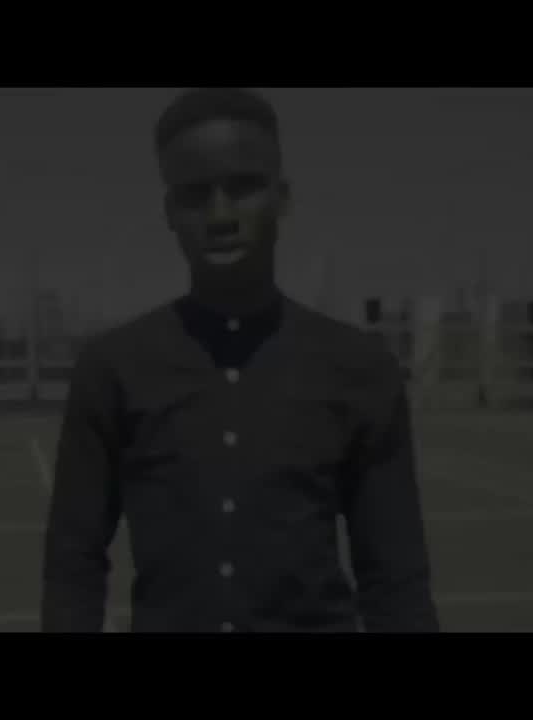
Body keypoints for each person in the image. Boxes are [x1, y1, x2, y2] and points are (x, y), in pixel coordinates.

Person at [41, 88, 439, 633]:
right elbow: (73, 565)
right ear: (169, 213)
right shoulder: (112, 370)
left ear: (283, 197)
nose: (221, 215)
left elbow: (396, 582)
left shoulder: (361, 370)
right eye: (195, 195)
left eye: (244, 187)